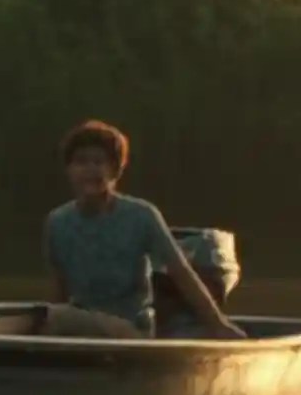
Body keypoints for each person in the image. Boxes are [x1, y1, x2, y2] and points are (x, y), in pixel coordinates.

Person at [40, 119, 246, 340]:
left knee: (52, 317)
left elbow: (181, 273)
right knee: (45, 317)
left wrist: (217, 324)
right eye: (81, 162)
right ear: (69, 170)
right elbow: (59, 288)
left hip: (131, 329)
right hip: (79, 325)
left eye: (99, 162)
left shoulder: (142, 215)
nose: (90, 170)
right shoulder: (57, 222)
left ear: (115, 170)